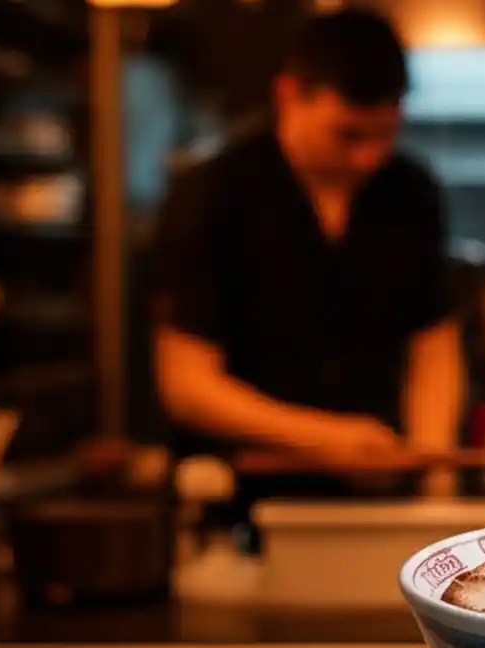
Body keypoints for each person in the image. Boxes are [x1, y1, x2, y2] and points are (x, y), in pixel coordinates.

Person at [152, 9, 464, 550]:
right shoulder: (213, 192)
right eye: (348, 135)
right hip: (237, 515)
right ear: (289, 95)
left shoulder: (412, 192)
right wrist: (326, 439)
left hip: (381, 507)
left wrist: (432, 474)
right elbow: (186, 385)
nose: (369, 157)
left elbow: (433, 345)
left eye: (385, 134)